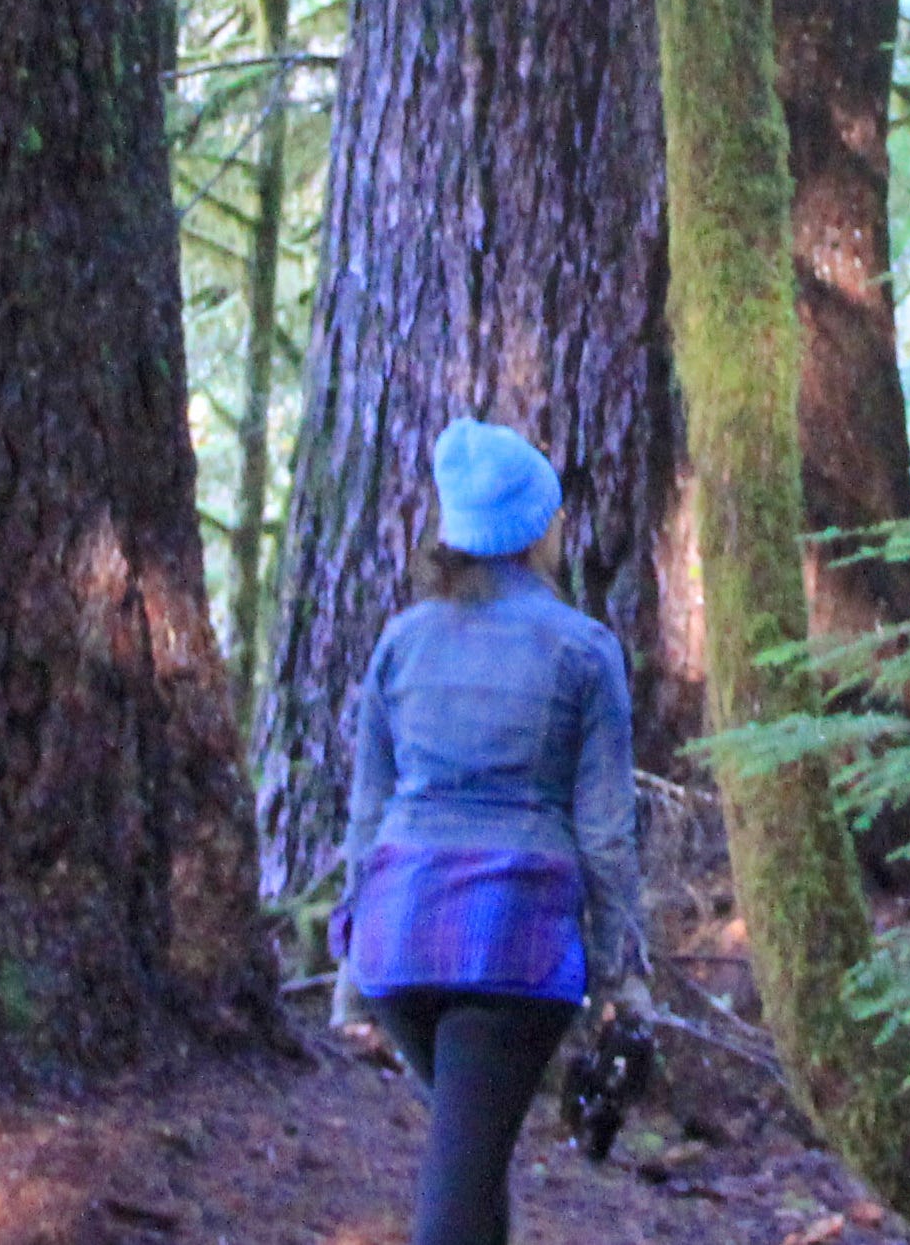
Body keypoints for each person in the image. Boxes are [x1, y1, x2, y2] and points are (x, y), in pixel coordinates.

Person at [331, 416, 655, 1245]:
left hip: (398, 943)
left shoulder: (400, 642)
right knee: (464, 1175)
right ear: (539, 528)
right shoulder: (584, 651)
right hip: (513, 947)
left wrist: (350, 968)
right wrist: (622, 981)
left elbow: (368, 813)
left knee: (471, 1155)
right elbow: (607, 835)